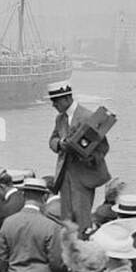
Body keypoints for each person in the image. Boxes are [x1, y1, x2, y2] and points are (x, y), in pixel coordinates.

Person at [46, 81, 111, 229]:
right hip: (64, 176)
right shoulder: (60, 119)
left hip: (83, 176)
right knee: (67, 220)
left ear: (66, 99)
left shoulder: (89, 117)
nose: (53, 105)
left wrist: (88, 157)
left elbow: (103, 148)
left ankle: (82, 247)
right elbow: (52, 140)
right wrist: (60, 143)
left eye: (55, 101)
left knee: (81, 220)